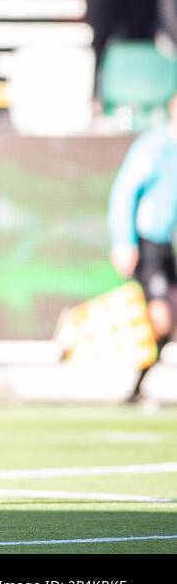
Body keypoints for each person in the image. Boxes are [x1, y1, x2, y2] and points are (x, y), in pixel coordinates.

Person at [109, 91, 177, 402]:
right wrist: (124, 241)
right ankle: (134, 381)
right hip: (152, 243)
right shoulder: (154, 146)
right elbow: (125, 192)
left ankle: (137, 385)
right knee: (161, 316)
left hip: (170, 245)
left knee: (168, 317)